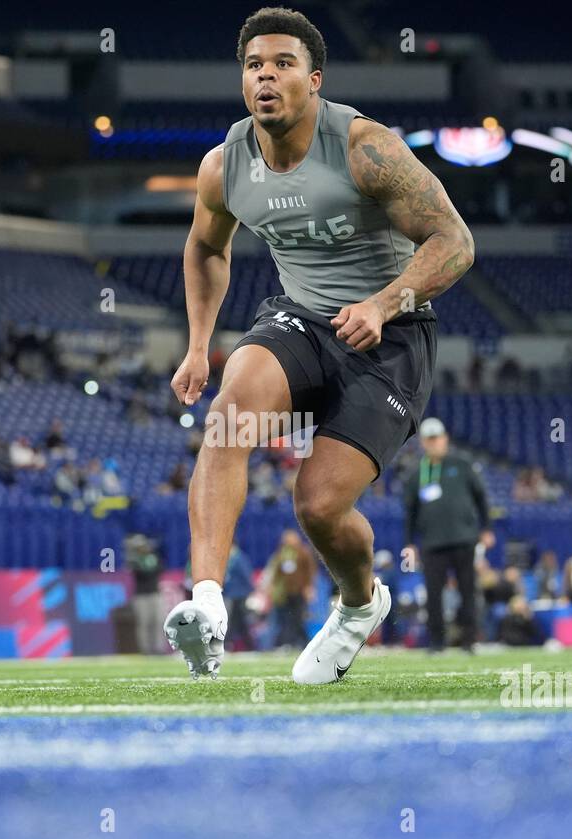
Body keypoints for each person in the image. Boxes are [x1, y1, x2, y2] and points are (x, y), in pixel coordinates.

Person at [161, 7, 473, 681]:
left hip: (389, 336)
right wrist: (197, 345)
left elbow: (455, 242)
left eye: (283, 64)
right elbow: (206, 248)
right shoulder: (224, 165)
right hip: (299, 319)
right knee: (229, 414)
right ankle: (208, 606)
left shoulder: (366, 148)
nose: (265, 77)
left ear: (316, 80)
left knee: (320, 506)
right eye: (253, 66)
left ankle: (361, 606)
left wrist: (387, 303)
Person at [403, 418, 493, 652]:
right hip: (432, 543)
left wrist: (486, 528)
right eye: (429, 439)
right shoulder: (416, 474)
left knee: (467, 591)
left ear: (445, 439)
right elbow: (410, 513)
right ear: (423, 442)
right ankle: (436, 641)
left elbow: (481, 498)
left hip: (464, 539)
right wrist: (410, 543)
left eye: (437, 438)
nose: (433, 443)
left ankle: (469, 639)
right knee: (433, 594)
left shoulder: (462, 465)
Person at [263, 530, 316, 649]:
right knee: (287, 618)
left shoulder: (303, 552)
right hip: (286, 592)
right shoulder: (281, 554)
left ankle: (304, 642)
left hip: (299, 591)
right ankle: (289, 642)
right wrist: (272, 586)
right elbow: (277, 572)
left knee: (298, 618)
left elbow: (310, 571)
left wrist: (309, 587)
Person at [127, 535, 164, 655]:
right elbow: (141, 573)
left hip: (155, 592)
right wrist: (148, 568)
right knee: (143, 623)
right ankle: (145, 649)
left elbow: (159, 569)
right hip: (141, 595)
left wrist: (148, 568)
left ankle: (158, 648)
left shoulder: (153, 557)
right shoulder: (134, 560)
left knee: (158, 621)